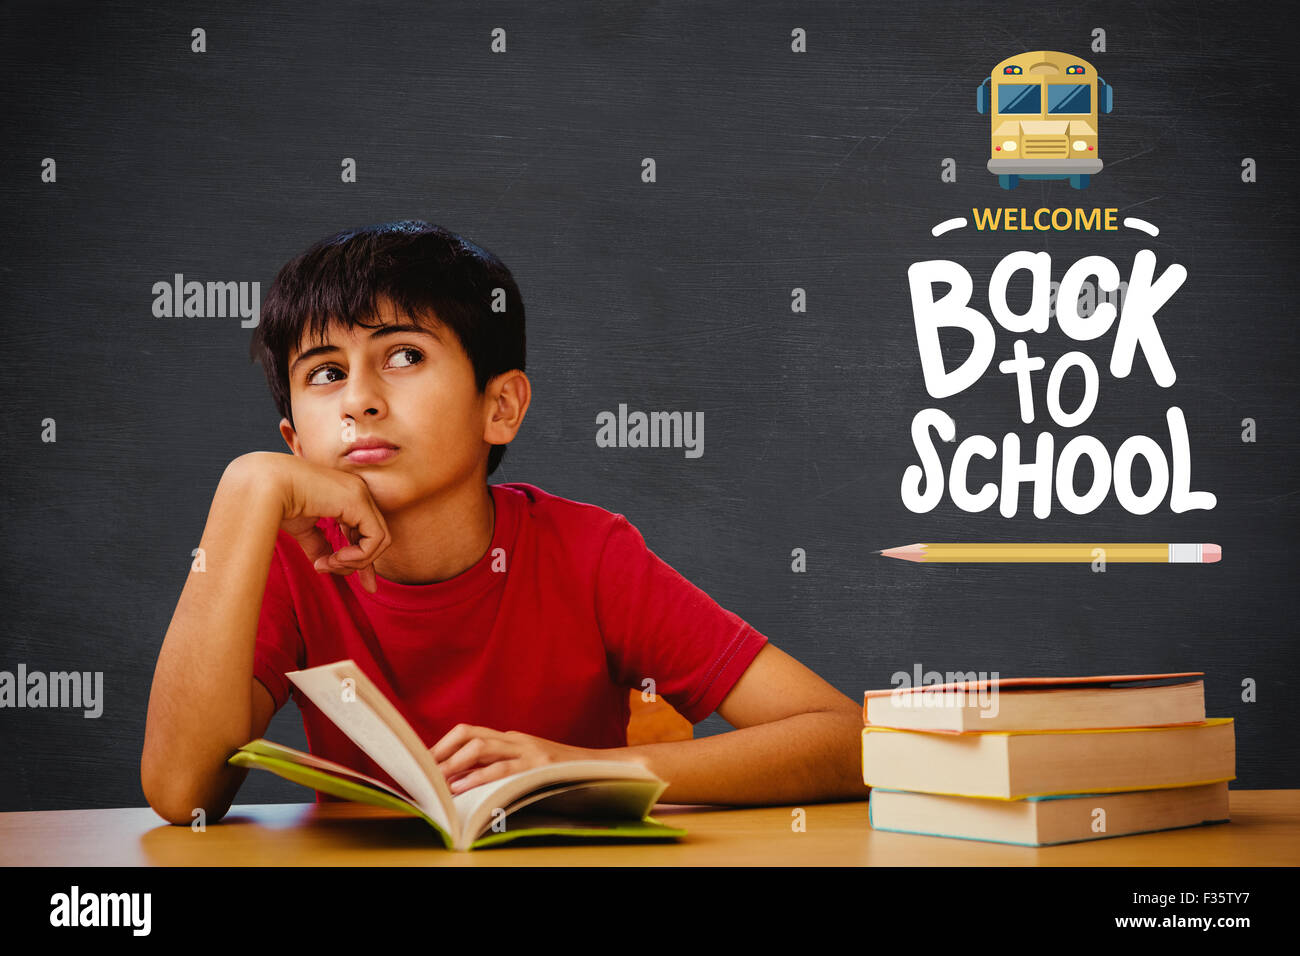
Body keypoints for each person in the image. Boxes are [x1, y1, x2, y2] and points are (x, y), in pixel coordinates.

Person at [141, 220, 866, 824]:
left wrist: (580, 771)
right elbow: (180, 794)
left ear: (502, 407)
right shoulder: (288, 562)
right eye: (325, 373)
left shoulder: (588, 555)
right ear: (295, 441)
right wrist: (245, 491)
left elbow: (851, 741)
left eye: (403, 355)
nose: (358, 400)